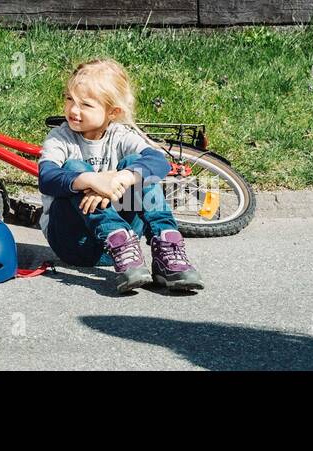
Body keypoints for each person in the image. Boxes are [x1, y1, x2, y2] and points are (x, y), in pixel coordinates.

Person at [38, 58, 204, 293]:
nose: (73, 110)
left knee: (137, 165)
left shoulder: (121, 135)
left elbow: (158, 161)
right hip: (74, 244)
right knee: (75, 167)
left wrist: (120, 178)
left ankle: (166, 249)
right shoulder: (60, 137)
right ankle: (115, 235)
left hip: (128, 256)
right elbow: (47, 177)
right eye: (69, 99)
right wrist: (91, 180)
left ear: (112, 112)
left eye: (85, 104)